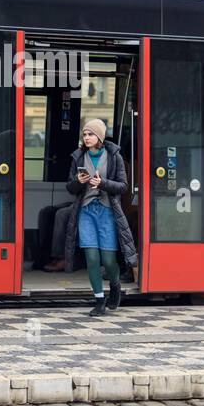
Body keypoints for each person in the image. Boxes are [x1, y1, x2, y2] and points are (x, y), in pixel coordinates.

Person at [64, 118, 138, 317]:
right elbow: (70, 188)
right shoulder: (78, 157)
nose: (86, 138)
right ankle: (99, 300)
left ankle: (115, 286)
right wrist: (78, 182)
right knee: (92, 258)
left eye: (90, 134)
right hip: (86, 211)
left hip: (107, 211)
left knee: (108, 259)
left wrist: (102, 182)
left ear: (100, 137)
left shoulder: (115, 156)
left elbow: (123, 186)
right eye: (85, 134)